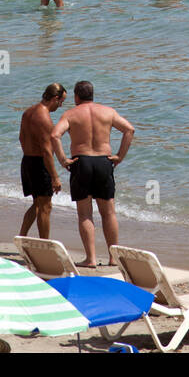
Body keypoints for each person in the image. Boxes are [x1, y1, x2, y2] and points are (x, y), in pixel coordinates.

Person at [49, 81, 135, 268]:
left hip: (82, 163)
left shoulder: (71, 114)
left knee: (85, 214)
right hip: (104, 162)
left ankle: (91, 259)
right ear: (92, 95)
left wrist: (63, 160)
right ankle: (113, 258)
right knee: (109, 212)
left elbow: (55, 135)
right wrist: (120, 156)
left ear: (76, 96)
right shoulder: (108, 112)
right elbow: (129, 129)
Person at [18, 83, 67, 239]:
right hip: (39, 164)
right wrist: (55, 177)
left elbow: (21, 138)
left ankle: (22, 236)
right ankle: (45, 244)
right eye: (61, 102)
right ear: (54, 98)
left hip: (27, 161)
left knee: (37, 204)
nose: (61, 106)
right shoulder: (44, 117)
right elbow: (46, 151)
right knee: (46, 207)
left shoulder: (28, 112)